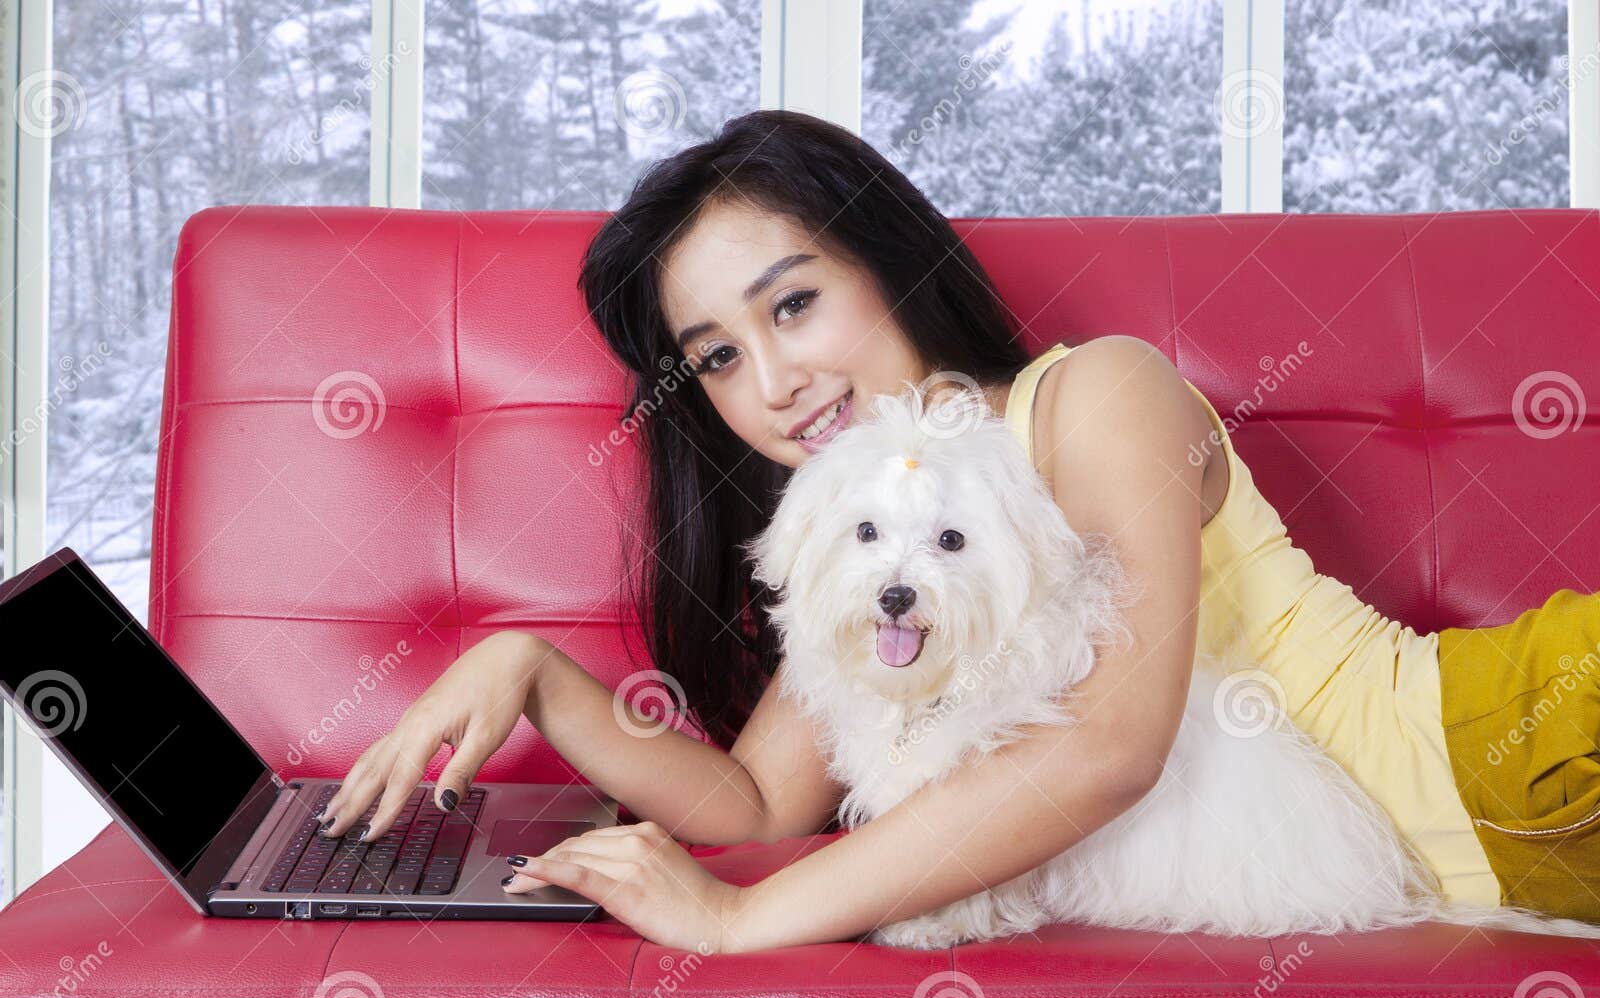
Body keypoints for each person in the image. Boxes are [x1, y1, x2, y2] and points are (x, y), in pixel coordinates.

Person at [317, 109, 1600, 950]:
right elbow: (759, 802)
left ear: (888, 262)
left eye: (795, 304)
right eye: (714, 356)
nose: (771, 381)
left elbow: (1108, 747)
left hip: (1501, 735)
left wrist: (733, 925)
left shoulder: (1094, 398)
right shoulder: (886, 555)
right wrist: (535, 673)